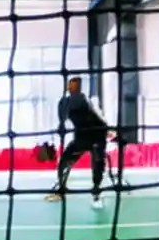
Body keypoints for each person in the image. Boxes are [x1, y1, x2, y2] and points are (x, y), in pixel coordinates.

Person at [46, 76, 115, 209]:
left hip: (96, 137)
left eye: (76, 85)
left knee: (97, 165)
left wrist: (107, 130)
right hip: (82, 138)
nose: (74, 87)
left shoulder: (81, 99)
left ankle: (96, 194)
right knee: (65, 161)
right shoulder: (70, 101)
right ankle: (61, 190)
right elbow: (63, 118)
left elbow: (94, 116)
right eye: (72, 85)